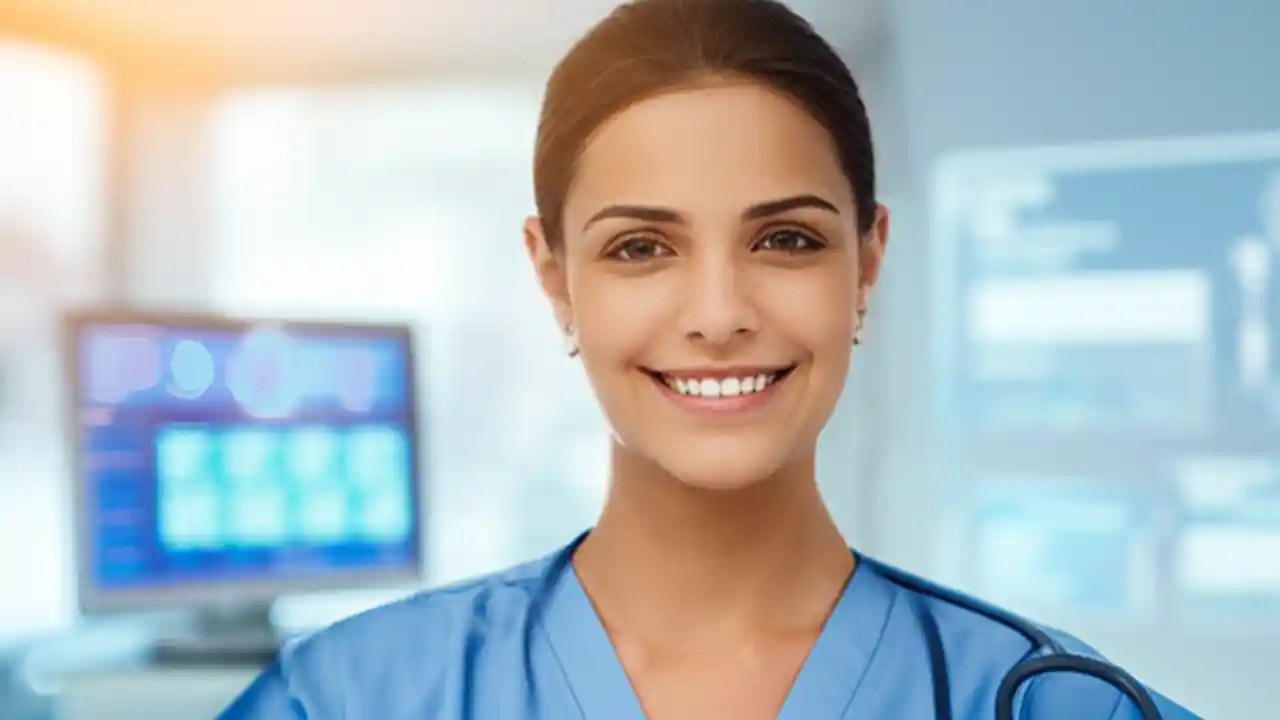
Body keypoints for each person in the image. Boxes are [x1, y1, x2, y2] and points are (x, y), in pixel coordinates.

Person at [221, 1, 1199, 717]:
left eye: (784, 241)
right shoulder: (347, 700)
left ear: (866, 264)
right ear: (554, 279)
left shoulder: (1044, 705)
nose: (720, 314)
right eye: (640, 248)